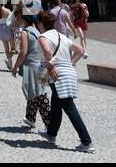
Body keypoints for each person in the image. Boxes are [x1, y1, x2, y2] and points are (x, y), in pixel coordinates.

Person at [37, 10, 94, 152]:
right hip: (69, 72)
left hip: (57, 75)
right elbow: (80, 50)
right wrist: (71, 63)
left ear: (40, 24)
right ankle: (51, 134)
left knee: (69, 107)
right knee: (56, 105)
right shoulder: (61, 36)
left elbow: (47, 52)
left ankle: (86, 142)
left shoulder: (43, 37)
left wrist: (50, 68)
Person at [11, 12, 50, 130]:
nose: (16, 19)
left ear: (23, 19)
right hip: (40, 64)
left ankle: (50, 123)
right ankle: (30, 117)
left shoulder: (25, 32)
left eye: (17, 17)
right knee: (34, 91)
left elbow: (23, 52)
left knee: (38, 94)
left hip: (31, 66)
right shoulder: (36, 31)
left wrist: (15, 67)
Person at [0, 2, 16, 70]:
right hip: (8, 28)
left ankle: (9, 62)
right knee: (13, 49)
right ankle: (9, 61)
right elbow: (12, 20)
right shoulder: (7, 10)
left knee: (6, 48)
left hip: (1, 28)